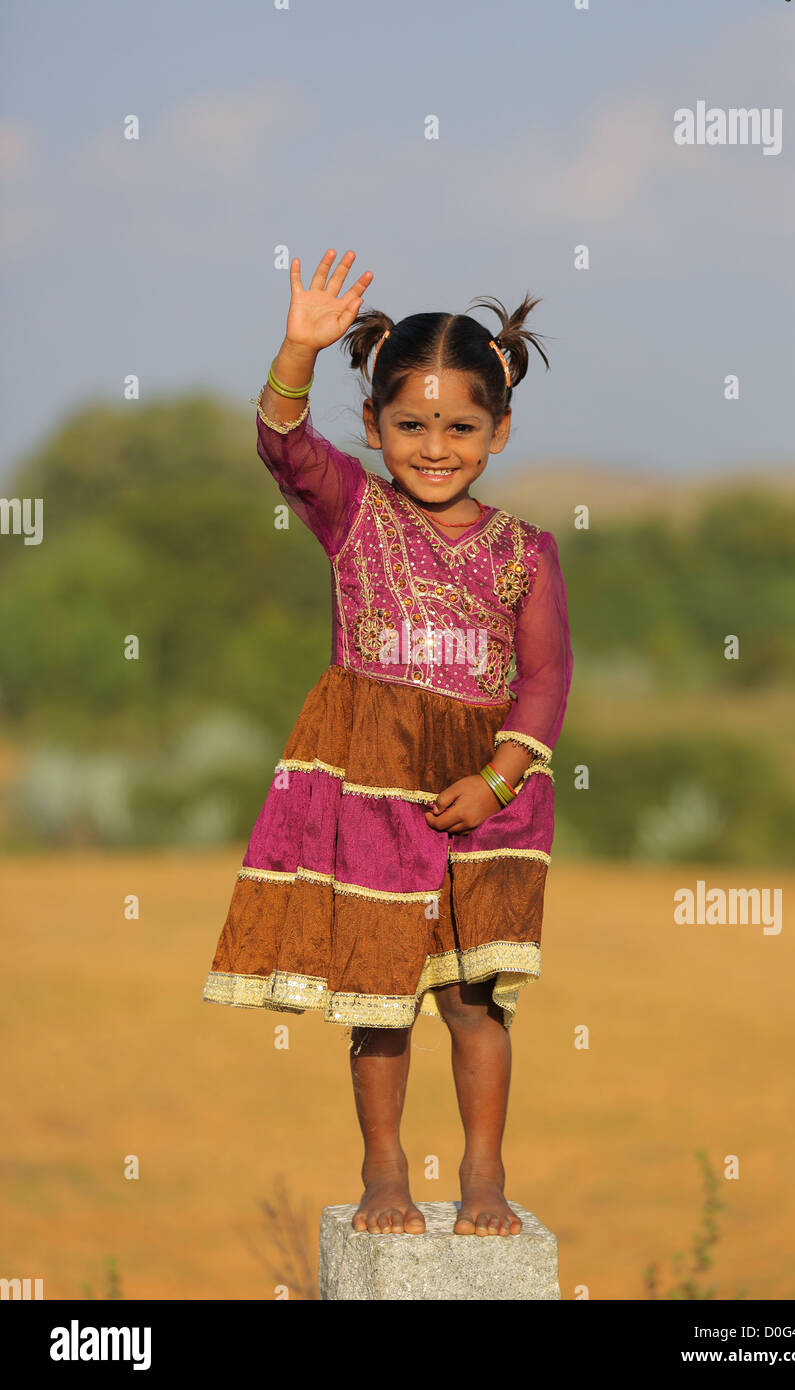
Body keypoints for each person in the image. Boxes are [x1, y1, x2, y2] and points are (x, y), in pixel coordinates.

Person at [202, 248, 573, 1238]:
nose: (434, 445)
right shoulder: (351, 513)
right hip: (372, 784)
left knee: (471, 998)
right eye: (409, 424)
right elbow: (282, 443)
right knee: (378, 999)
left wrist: (493, 782)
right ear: (371, 427)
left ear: (498, 431)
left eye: (459, 426)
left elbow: (543, 682)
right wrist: (297, 349)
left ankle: (485, 1177)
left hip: (485, 798)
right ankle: (383, 1175)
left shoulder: (525, 553)